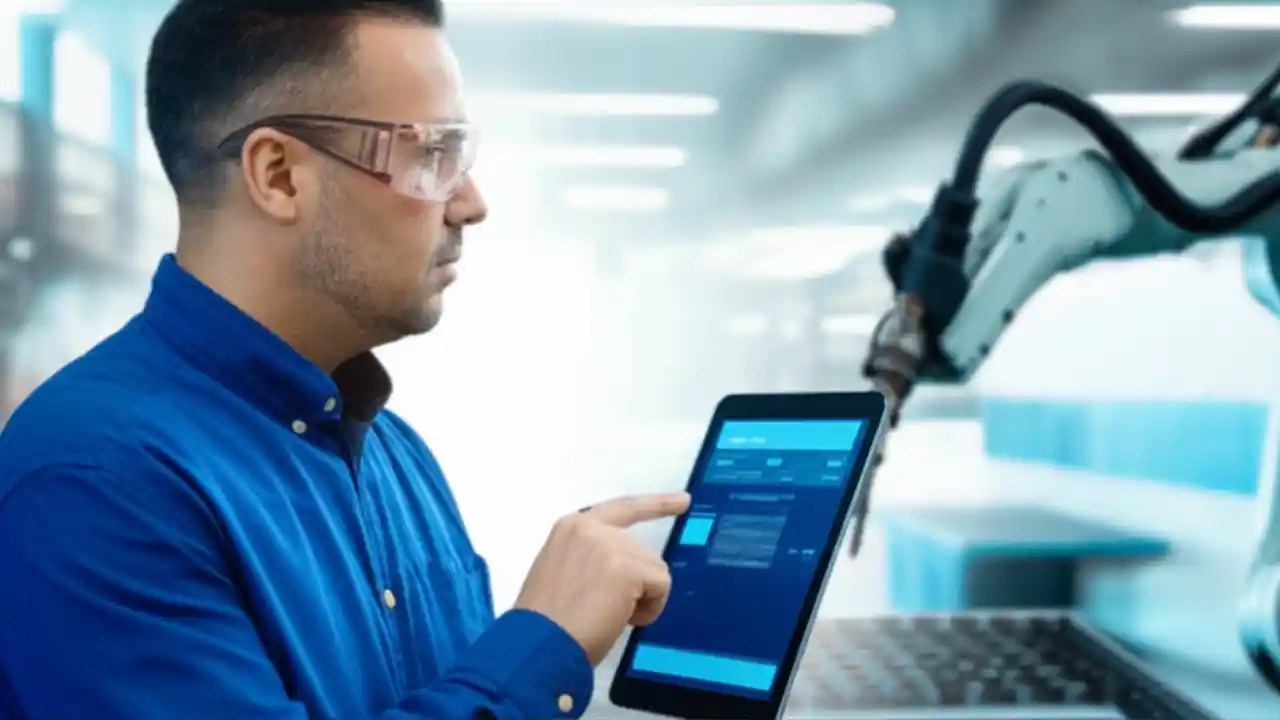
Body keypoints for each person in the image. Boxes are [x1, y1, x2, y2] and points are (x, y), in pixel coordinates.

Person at [0, 1, 690, 718]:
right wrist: (545, 646)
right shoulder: (95, 482)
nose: (471, 204)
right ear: (280, 175)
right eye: (431, 155)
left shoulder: (395, 456)